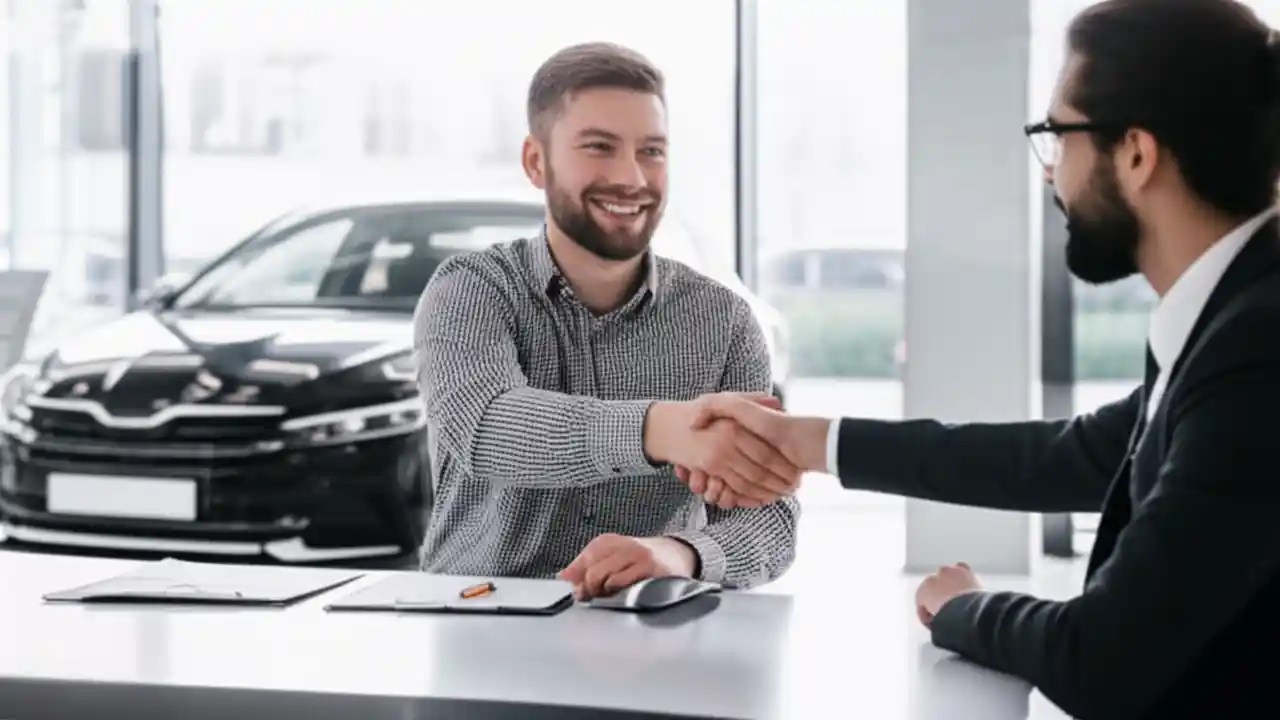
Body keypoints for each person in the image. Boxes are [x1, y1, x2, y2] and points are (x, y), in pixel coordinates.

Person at [680, 1, 1280, 716]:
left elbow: (1103, 657)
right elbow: (1082, 455)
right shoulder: (1231, 314)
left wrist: (963, 608)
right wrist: (811, 442)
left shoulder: (1256, 352)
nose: (1050, 173)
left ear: (1136, 154)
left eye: (1058, 135)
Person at [413, 42, 801, 600]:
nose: (632, 177)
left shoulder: (723, 321)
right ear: (535, 161)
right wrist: (665, 431)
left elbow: (771, 520)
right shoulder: (472, 288)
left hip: (652, 628)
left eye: (652, 151)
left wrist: (677, 553)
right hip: (481, 614)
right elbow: (485, 427)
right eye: (599, 147)